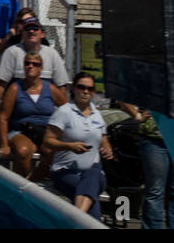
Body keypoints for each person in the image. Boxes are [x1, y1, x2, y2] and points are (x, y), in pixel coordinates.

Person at [43, 73, 113, 221]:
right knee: (90, 194)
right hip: (66, 172)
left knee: (92, 174)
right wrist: (69, 146)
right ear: (73, 89)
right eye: (81, 87)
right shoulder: (64, 112)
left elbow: (104, 140)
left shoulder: (97, 114)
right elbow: (47, 141)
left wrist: (107, 149)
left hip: (93, 173)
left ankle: (75, 220)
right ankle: (83, 221)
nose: (86, 91)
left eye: (90, 88)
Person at [0, 54, 67, 179]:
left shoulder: (50, 88)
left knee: (54, 150)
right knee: (23, 151)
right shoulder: (15, 88)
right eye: (27, 63)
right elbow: (3, 117)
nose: (30, 66)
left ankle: (34, 178)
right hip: (21, 130)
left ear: (41, 68)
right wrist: (4, 144)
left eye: (35, 64)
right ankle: (20, 182)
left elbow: (68, 110)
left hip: (44, 131)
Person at [114, 100, 174, 229]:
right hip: (154, 139)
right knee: (155, 190)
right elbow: (123, 94)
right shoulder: (154, 80)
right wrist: (137, 115)